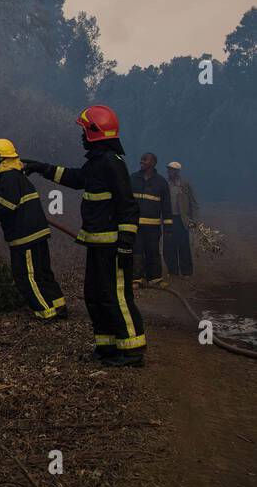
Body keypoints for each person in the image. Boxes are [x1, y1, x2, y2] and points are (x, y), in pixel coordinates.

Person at [23, 105, 146, 367]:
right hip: (97, 245)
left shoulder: (112, 164)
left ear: (94, 132)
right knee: (95, 295)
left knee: (117, 297)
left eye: (83, 131)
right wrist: (40, 167)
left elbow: (128, 206)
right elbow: (76, 178)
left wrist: (126, 244)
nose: (81, 136)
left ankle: (133, 351)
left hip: (113, 247)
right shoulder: (98, 163)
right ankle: (107, 348)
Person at [0, 139, 67, 321]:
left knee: (26, 276)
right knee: (43, 273)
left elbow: (4, 207)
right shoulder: (16, 175)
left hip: (25, 237)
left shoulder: (8, 178)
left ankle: (46, 312)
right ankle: (58, 306)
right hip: (36, 233)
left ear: (1, 159)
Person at [130, 153, 172, 290]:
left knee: (153, 252)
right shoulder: (133, 179)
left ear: (153, 163)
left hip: (153, 227)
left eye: (145, 159)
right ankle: (136, 279)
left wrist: (168, 227)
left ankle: (155, 279)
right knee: (136, 251)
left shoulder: (161, 182)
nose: (141, 161)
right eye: (141, 159)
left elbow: (166, 206)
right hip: (135, 224)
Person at [164, 160, 198, 278]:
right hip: (168, 219)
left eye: (172, 170)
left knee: (184, 245)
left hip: (182, 219)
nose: (169, 172)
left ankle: (186, 272)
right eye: (168, 169)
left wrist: (193, 220)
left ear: (177, 172)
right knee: (169, 245)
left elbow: (193, 203)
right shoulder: (165, 184)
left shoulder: (184, 184)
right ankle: (172, 271)